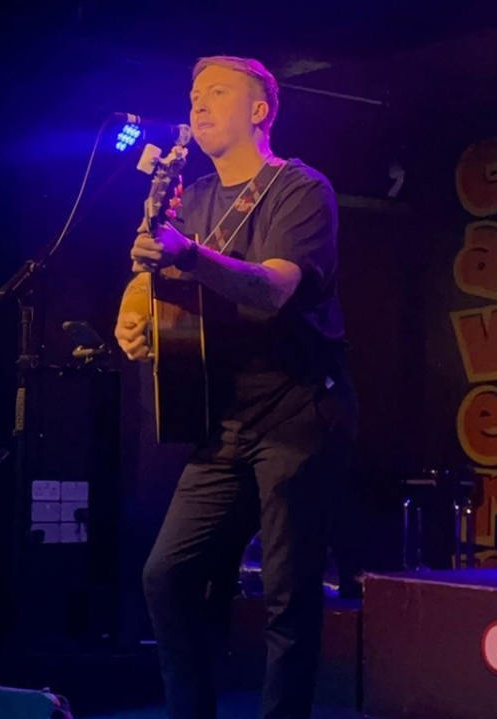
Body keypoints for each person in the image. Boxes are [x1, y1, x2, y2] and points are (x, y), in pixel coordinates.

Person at [114, 55, 358, 719]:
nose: (199, 102)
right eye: (193, 93)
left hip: (299, 410)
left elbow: (276, 288)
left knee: (288, 593)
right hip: (224, 419)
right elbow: (151, 278)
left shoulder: (299, 189)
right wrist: (133, 317)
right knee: (166, 574)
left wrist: (187, 254)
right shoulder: (188, 198)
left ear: (260, 110)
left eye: (218, 91)